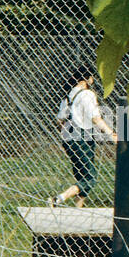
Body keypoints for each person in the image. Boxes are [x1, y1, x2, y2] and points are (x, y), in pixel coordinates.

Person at [50, 67, 117, 208]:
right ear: (88, 78)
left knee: (81, 175)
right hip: (82, 138)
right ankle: (59, 198)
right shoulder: (87, 94)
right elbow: (95, 118)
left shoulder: (68, 96)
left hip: (68, 138)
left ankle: (78, 210)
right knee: (89, 179)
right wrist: (111, 134)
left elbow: (59, 121)